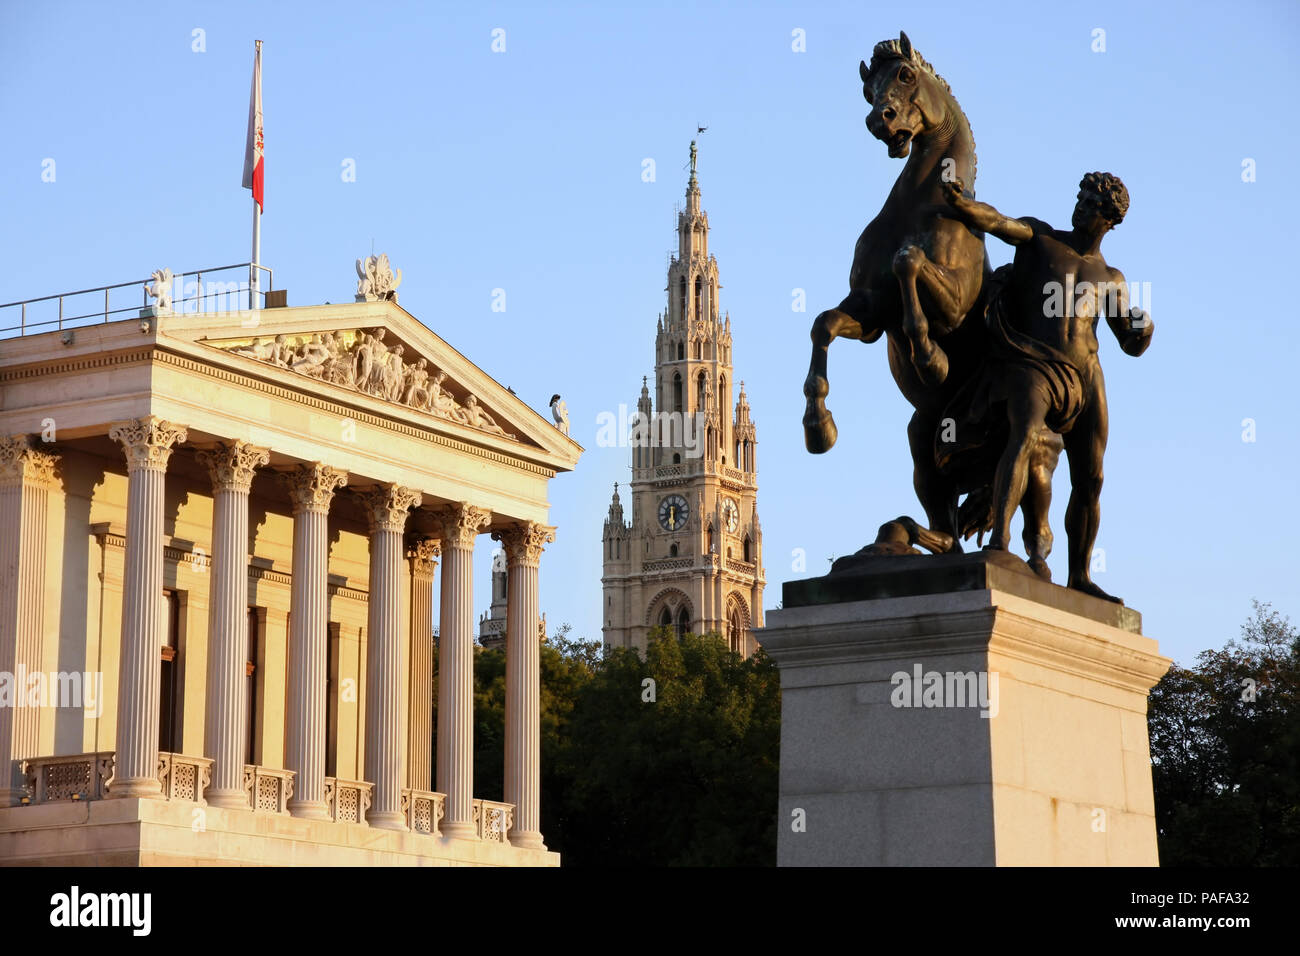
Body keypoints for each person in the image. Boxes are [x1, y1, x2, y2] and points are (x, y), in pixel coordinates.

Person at [939, 172, 1153, 601]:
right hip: (1032, 363)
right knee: (1023, 437)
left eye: (1093, 206)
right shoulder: (1040, 238)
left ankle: (1080, 575)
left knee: (1091, 478)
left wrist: (1144, 330)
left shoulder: (1111, 278)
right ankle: (1000, 544)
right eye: (1082, 199)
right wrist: (963, 205)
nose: (1082, 208)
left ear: (1110, 221)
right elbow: (998, 222)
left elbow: (1128, 341)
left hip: (1086, 376)